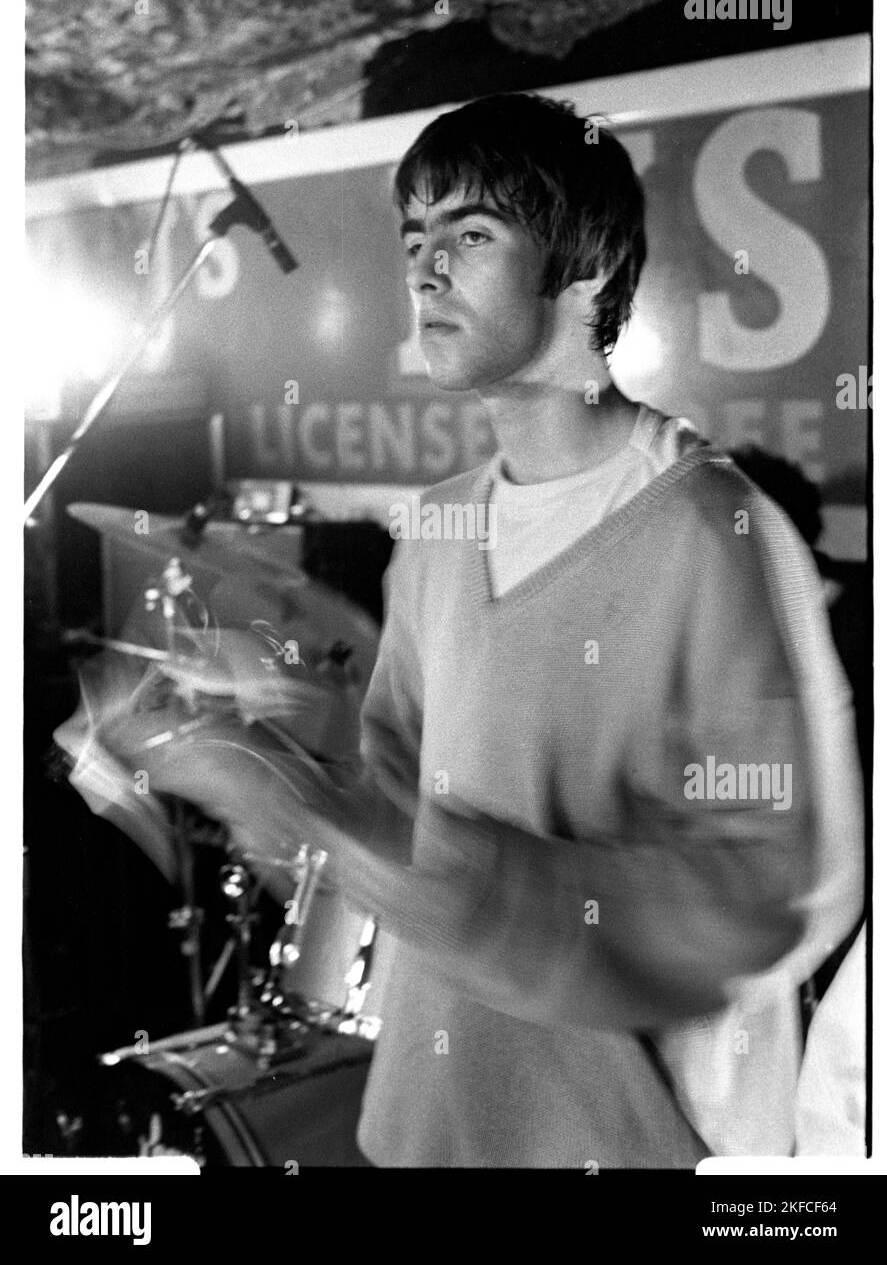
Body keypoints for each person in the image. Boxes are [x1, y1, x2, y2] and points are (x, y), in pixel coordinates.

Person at [105, 92, 864, 1168]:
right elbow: (402, 814)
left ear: (584, 270)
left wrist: (427, 864)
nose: (422, 270)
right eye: (413, 238)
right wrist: (277, 750)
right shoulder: (442, 523)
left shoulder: (715, 531)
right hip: (424, 1123)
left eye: (468, 235)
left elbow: (777, 900)